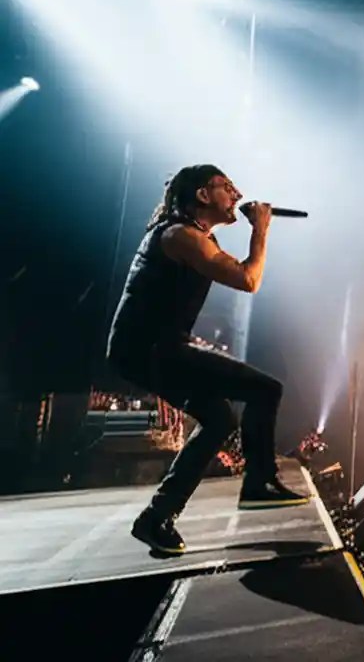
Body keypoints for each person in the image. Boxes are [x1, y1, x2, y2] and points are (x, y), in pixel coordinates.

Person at [107, 164, 308, 555]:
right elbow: (249, 280)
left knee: (220, 418)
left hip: (149, 349)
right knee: (266, 390)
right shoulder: (181, 236)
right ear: (202, 195)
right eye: (227, 187)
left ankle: (157, 517)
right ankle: (258, 483)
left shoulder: (192, 236)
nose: (237, 194)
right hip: (150, 350)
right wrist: (260, 229)